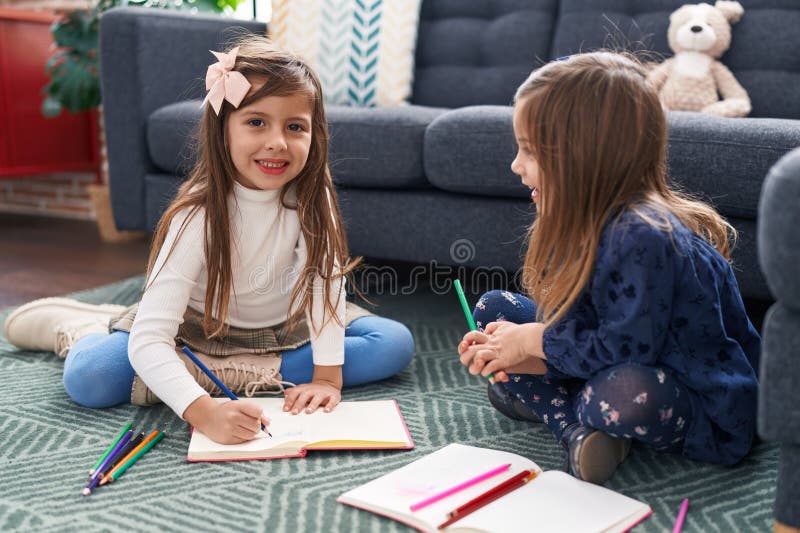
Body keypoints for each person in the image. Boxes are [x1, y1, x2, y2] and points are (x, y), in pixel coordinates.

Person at [4, 36, 414, 444]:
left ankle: (207, 371)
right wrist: (205, 411)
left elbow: (325, 285)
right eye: (256, 122)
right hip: (196, 330)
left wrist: (327, 378)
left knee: (393, 344)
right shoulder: (196, 215)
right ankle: (85, 326)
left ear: (315, 133)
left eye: (295, 127)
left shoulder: (313, 196)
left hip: (281, 326)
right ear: (223, 131)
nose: (278, 142)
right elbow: (151, 341)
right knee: (93, 378)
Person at [457, 52, 760, 485]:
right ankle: (578, 427)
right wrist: (519, 348)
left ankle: (565, 412)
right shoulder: (592, 221)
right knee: (492, 310)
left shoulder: (644, 237)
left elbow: (627, 352)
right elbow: (584, 327)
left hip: (693, 398)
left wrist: (531, 342)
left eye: (528, 150)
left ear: (582, 158)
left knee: (621, 391)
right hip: (608, 357)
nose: (515, 165)